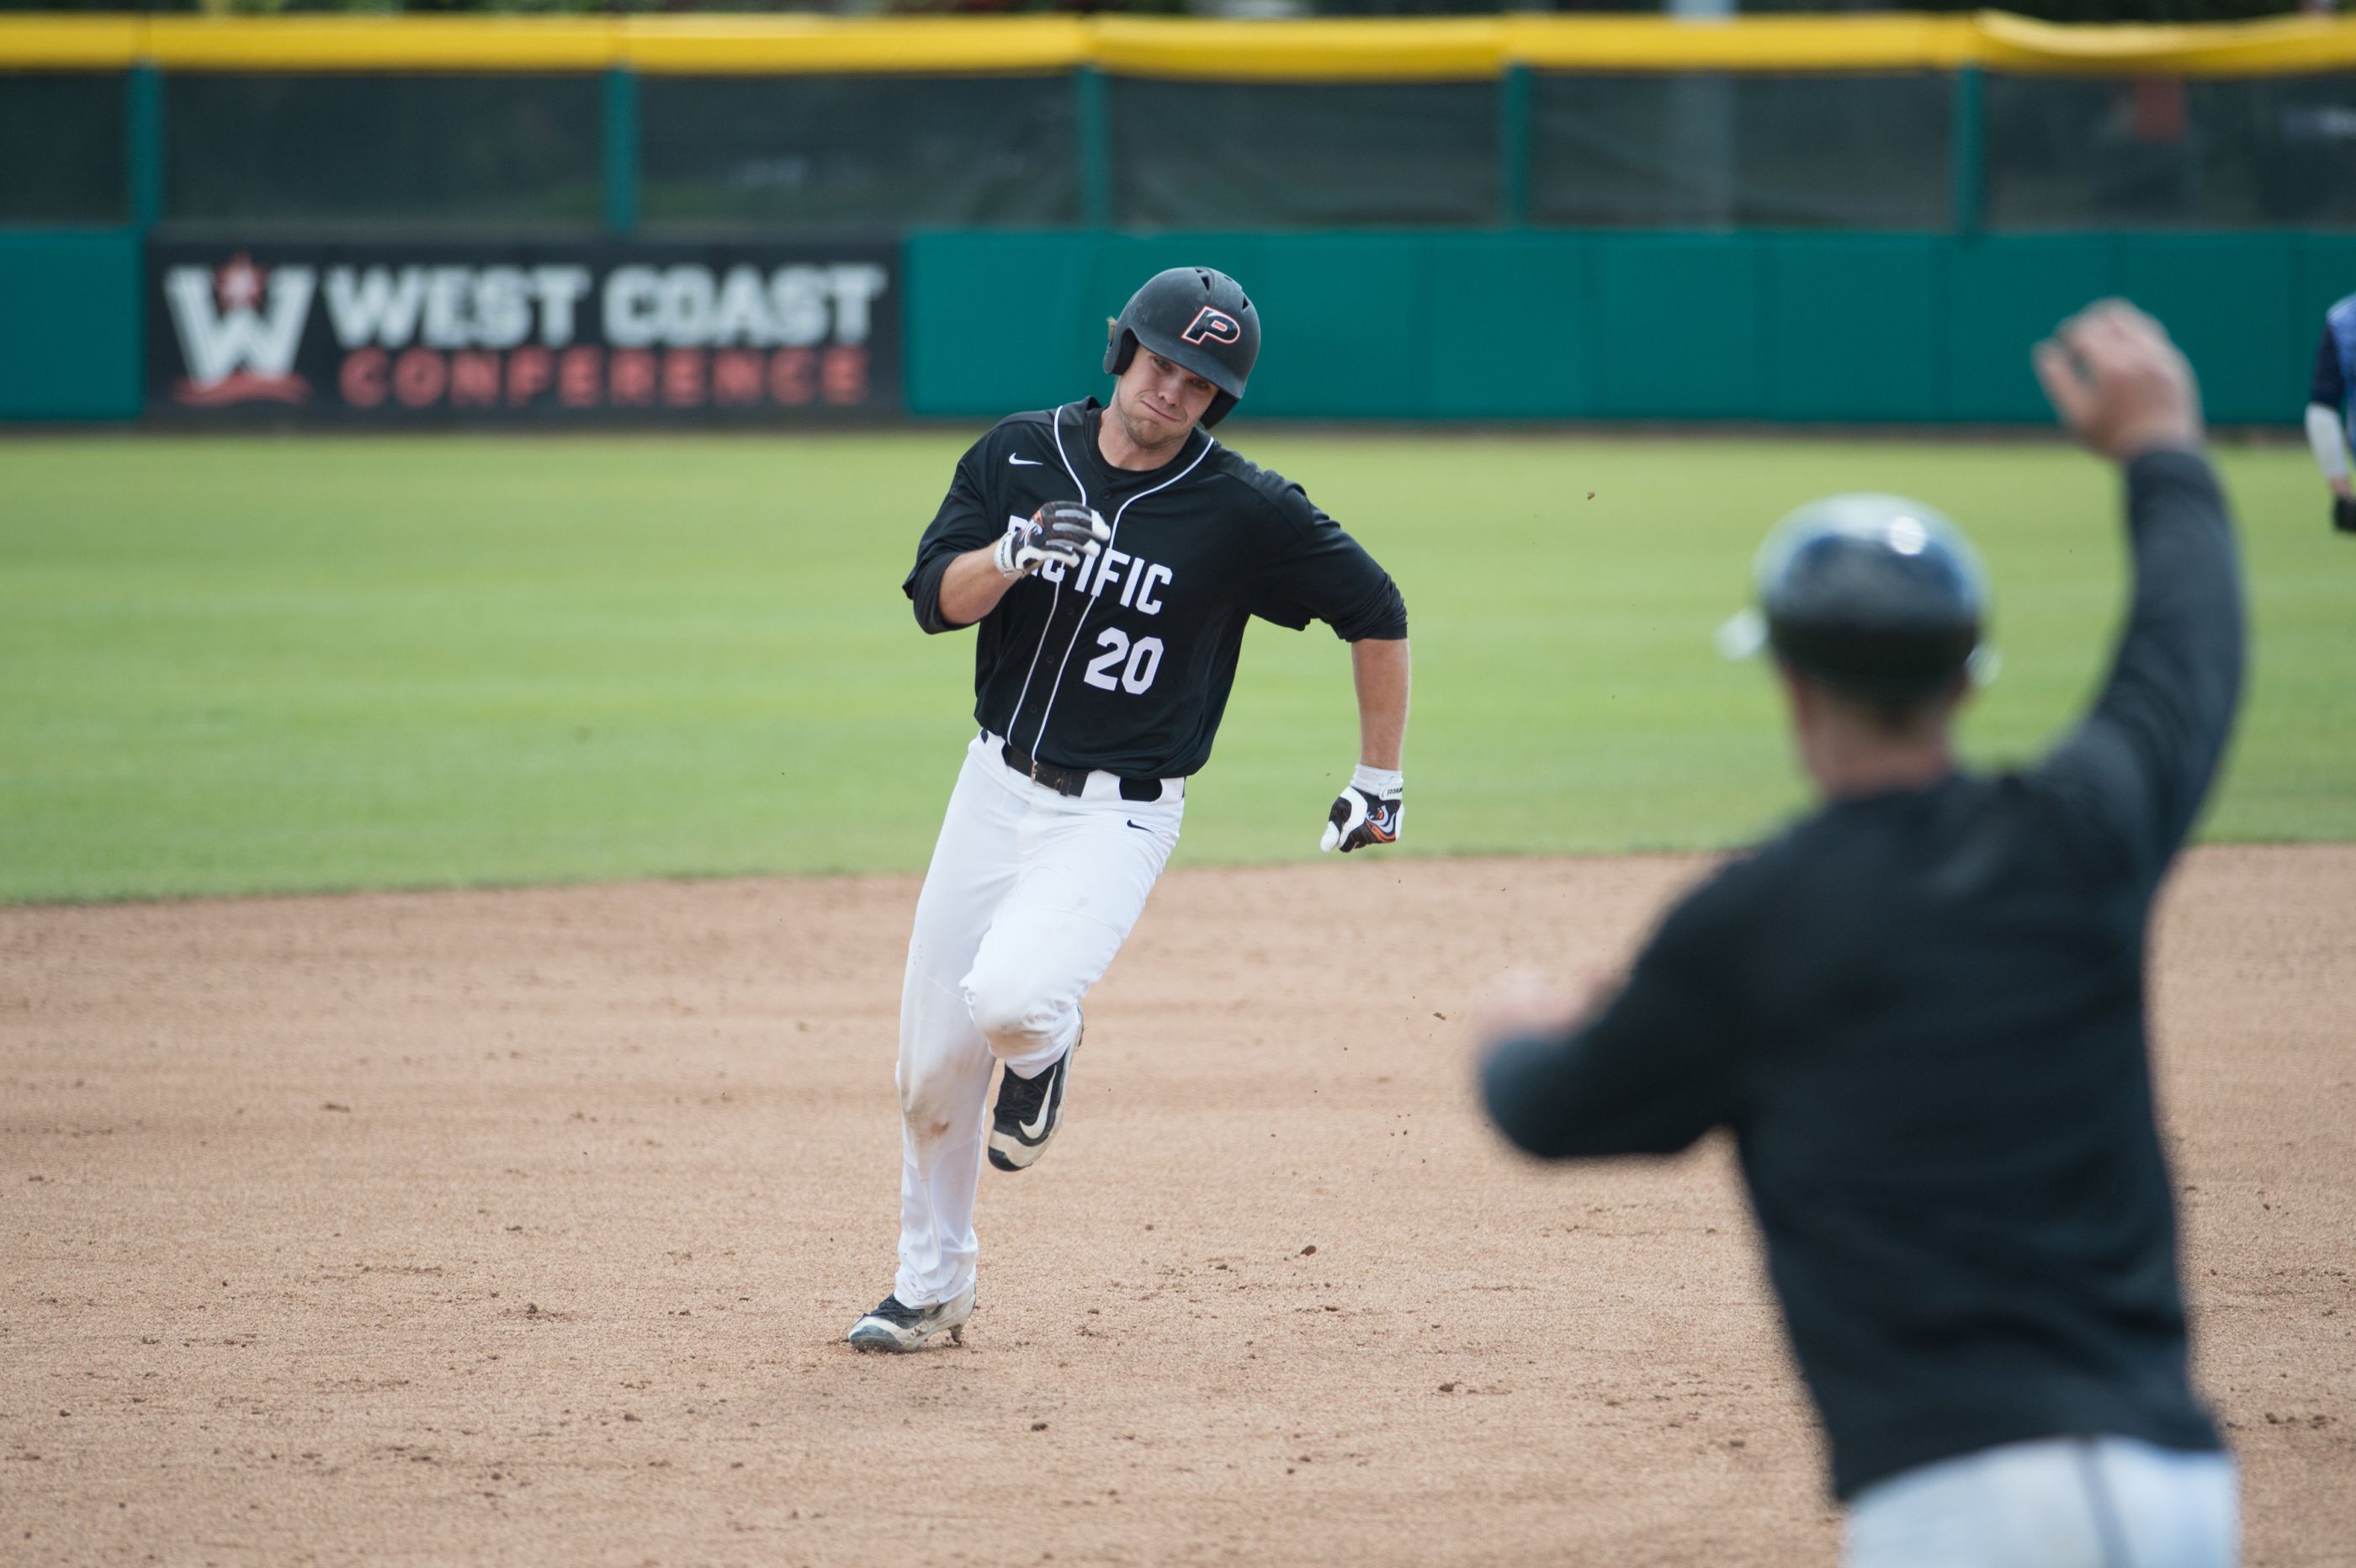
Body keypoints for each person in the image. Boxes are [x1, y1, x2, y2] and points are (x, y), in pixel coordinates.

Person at [1474, 301, 2243, 1567]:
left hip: (1959, 1509)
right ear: (1964, 678)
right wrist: (2162, 442)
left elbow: (1550, 1110)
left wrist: (1517, 1030)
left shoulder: (1748, 926)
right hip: (2169, 1475)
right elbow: (2185, 654)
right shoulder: (2079, 837)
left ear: (1787, 682)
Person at [848, 267, 1412, 1353]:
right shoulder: (1016, 454)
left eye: (1202, 383)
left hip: (1118, 816)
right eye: (1163, 363)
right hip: (991, 783)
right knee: (928, 1072)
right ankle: (931, 1289)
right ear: (1122, 354)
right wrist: (1011, 555)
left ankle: (1047, 1043)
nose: (1175, 391)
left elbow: (1375, 605)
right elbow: (932, 601)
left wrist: (1377, 781)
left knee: (1011, 1002)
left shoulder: (1243, 509)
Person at [2301, 289, 2356, 533]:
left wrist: (2341, 491)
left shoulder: (2343, 320)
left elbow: (2322, 410)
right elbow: (2322, 410)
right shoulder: (2343, 321)